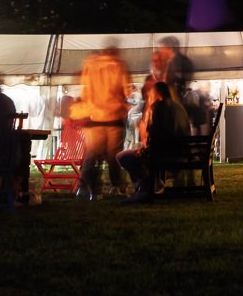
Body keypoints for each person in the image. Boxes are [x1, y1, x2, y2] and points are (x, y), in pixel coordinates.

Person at [118, 81, 192, 202]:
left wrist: (145, 145)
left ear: (155, 94)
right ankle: (151, 185)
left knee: (123, 156)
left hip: (165, 154)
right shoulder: (179, 107)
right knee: (138, 151)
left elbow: (154, 134)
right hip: (182, 153)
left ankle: (146, 187)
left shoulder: (157, 106)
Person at [76, 42, 131, 200]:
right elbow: (126, 90)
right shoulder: (119, 65)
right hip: (114, 117)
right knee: (114, 155)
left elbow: (85, 89)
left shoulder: (91, 64)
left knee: (92, 155)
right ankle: (116, 186)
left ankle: (86, 187)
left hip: (93, 117)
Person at [151, 37, 197, 127]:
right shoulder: (173, 61)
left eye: (162, 48)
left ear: (169, 48)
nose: (161, 51)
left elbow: (178, 81)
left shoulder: (178, 61)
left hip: (176, 102)